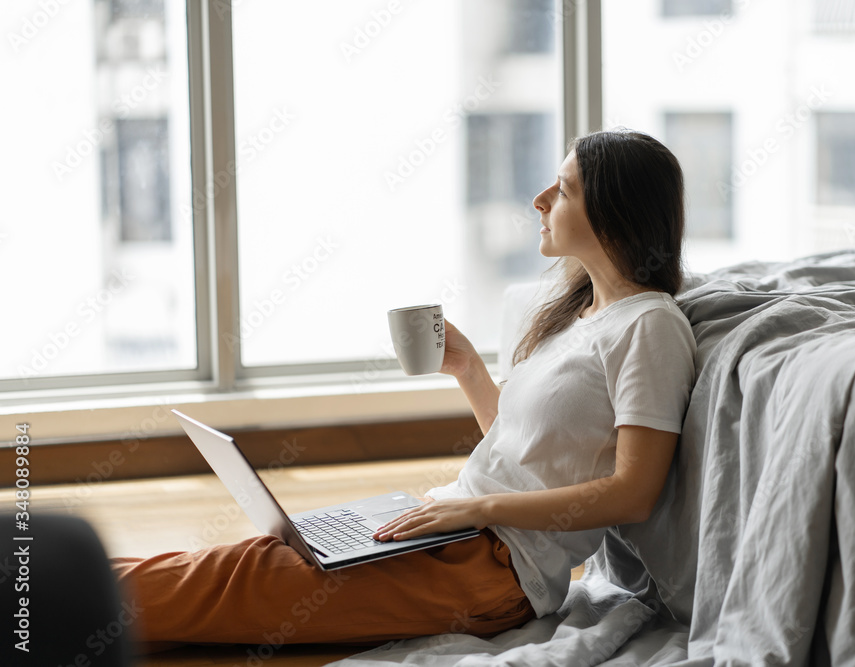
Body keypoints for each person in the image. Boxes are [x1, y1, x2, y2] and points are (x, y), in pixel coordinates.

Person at [111, 128, 697, 651]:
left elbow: (633, 493)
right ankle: (43, 587)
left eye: (563, 189)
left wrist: (477, 507)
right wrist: (468, 369)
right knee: (239, 563)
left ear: (618, 211)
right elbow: (528, 449)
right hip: (455, 528)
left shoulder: (649, 326)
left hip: (496, 572)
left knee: (226, 584)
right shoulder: (577, 315)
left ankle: (41, 602)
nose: (540, 200)